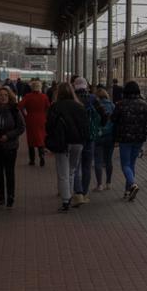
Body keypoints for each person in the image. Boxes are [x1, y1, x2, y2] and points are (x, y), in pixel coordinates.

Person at [45, 82, 90, 213]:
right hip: (77, 143)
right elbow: (85, 126)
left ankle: (66, 200)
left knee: (62, 172)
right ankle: (69, 195)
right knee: (72, 170)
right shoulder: (79, 106)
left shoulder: (55, 107)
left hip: (62, 143)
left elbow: (49, 126)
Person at [112, 81, 147, 201]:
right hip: (139, 139)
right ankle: (127, 191)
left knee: (125, 165)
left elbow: (113, 119)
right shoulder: (144, 105)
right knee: (131, 164)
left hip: (125, 139)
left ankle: (132, 184)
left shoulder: (120, 105)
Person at [72, 77, 107, 204]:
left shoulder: (72, 99)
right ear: (86, 86)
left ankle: (78, 192)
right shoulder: (93, 98)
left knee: (75, 166)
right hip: (90, 137)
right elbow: (104, 114)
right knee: (86, 166)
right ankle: (85, 193)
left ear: (74, 87)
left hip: (75, 138)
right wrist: (99, 127)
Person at [19, 79, 50, 166]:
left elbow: (20, 106)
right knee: (41, 138)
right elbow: (48, 107)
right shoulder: (44, 97)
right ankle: (41, 155)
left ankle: (32, 160)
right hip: (42, 119)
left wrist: (25, 115)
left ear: (32, 87)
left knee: (31, 139)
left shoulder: (28, 96)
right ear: (40, 87)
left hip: (30, 119)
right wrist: (45, 115)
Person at [91, 87, 116, 191]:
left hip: (98, 136)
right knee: (108, 160)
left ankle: (99, 185)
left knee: (98, 161)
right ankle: (109, 183)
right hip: (110, 136)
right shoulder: (112, 106)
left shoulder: (94, 106)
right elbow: (115, 121)